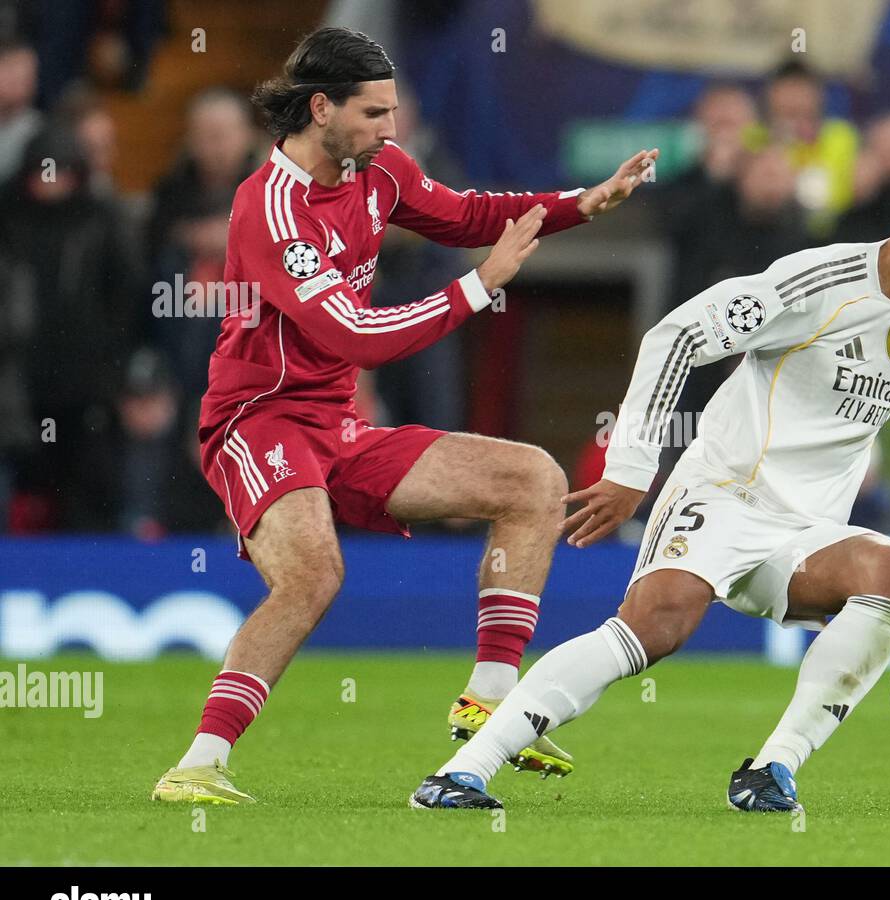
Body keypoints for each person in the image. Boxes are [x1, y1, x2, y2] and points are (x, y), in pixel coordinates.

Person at [413, 149, 890, 812]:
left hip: (803, 536)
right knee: (654, 630)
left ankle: (770, 771)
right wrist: (631, 469)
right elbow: (675, 337)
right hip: (724, 494)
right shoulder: (817, 282)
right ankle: (461, 773)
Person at [151, 27, 657, 805]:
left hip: (339, 423)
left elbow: (463, 214)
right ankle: (198, 765)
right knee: (314, 574)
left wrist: (579, 205)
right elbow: (354, 334)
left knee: (531, 480)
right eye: (376, 112)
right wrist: (479, 287)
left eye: (394, 111)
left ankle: (490, 698)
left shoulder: (379, 169)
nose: (393, 128)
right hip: (260, 421)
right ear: (321, 107)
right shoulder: (270, 210)